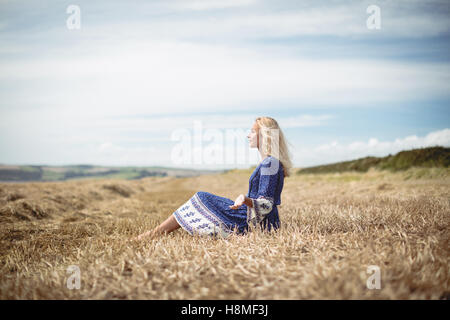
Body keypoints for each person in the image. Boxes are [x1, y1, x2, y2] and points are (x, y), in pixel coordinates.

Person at [132, 116, 293, 241]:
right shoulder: (268, 162)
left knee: (201, 197)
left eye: (252, 131)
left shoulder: (270, 163)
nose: (248, 135)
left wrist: (244, 199)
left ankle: (153, 234)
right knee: (202, 198)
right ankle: (154, 233)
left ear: (264, 135)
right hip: (256, 218)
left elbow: (266, 205)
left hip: (258, 223)